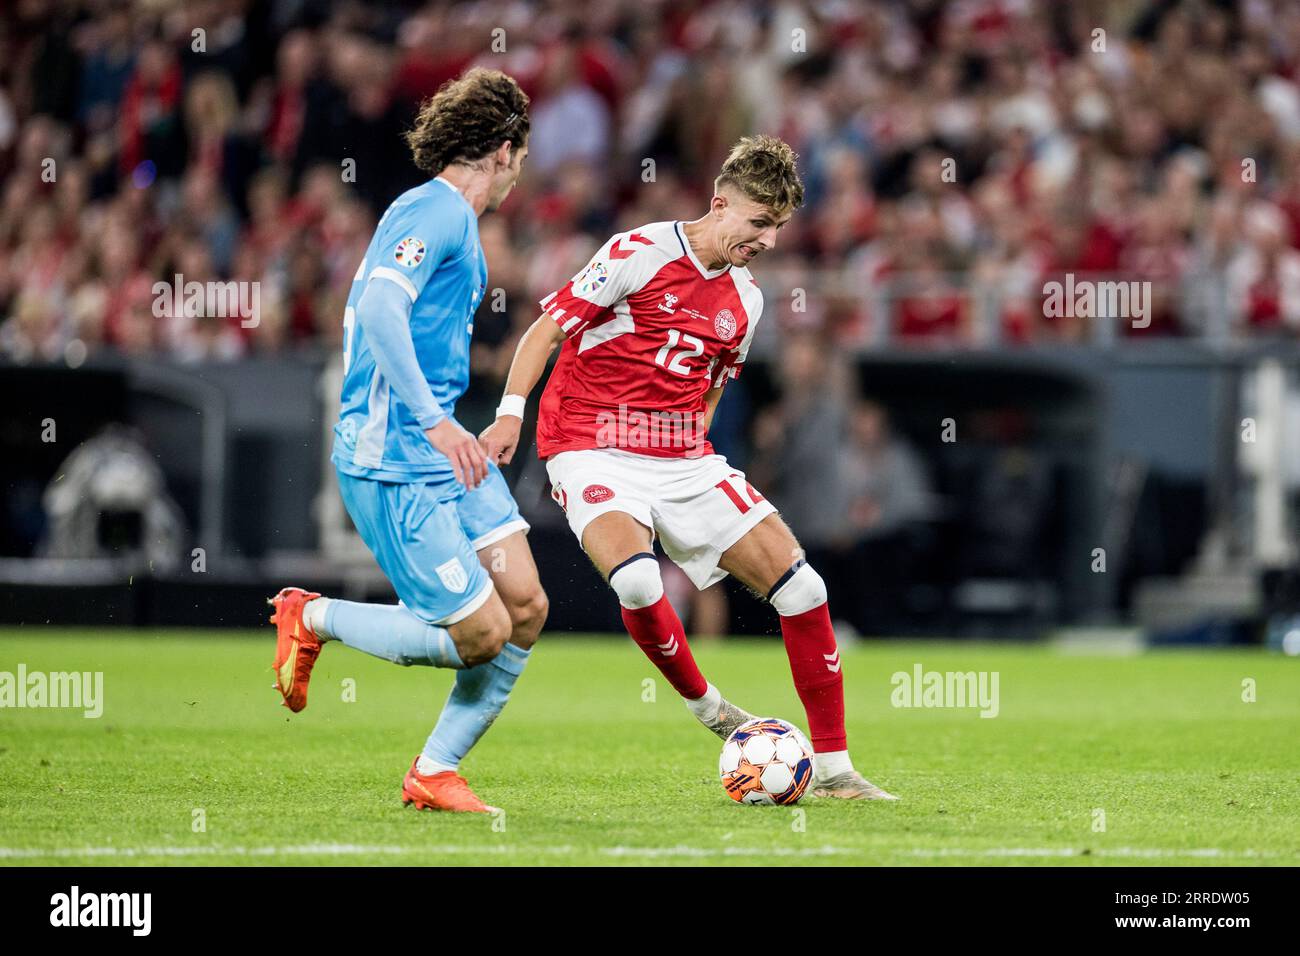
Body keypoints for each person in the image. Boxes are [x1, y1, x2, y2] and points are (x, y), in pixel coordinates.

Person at [480, 135, 895, 800]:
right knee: (641, 583)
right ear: (719, 203)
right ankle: (709, 708)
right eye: (759, 223)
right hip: (590, 443)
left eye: (779, 228)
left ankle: (838, 772)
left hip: (680, 457)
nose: (767, 240)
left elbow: (714, 381)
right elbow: (546, 331)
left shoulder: (748, 301)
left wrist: (694, 442)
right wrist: (510, 413)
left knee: (805, 591)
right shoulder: (636, 252)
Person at [266, 68, 547, 814]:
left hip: (444, 453)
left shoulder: (437, 212)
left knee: (523, 604)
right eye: (522, 155)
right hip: (394, 455)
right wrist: (432, 417)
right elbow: (384, 310)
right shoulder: (441, 212)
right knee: (481, 632)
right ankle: (312, 616)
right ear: (506, 150)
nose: (522, 170)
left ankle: (434, 771)